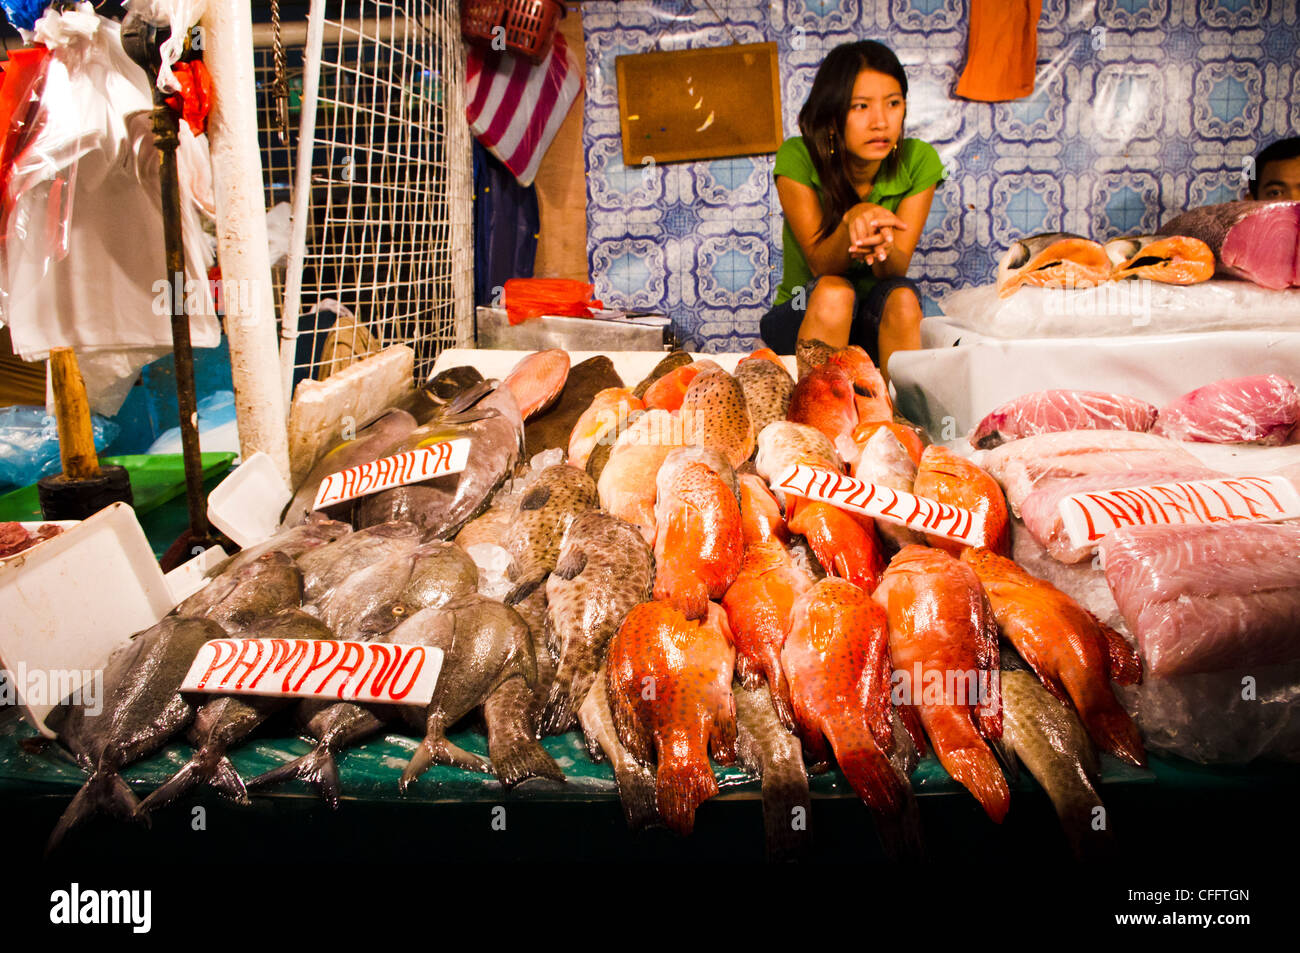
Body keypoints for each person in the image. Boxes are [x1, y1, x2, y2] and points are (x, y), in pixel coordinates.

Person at [760, 40, 943, 383]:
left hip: (877, 322)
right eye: (861, 107)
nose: (880, 122)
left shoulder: (920, 160)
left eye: (893, 104)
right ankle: (817, 424)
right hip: (805, 312)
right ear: (832, 116)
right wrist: (853, 220)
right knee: (835, 292)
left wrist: (882, 243)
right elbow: (820, 263)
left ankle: (902, 423)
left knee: (903, 297)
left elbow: (896, 268)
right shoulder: (797, 156)